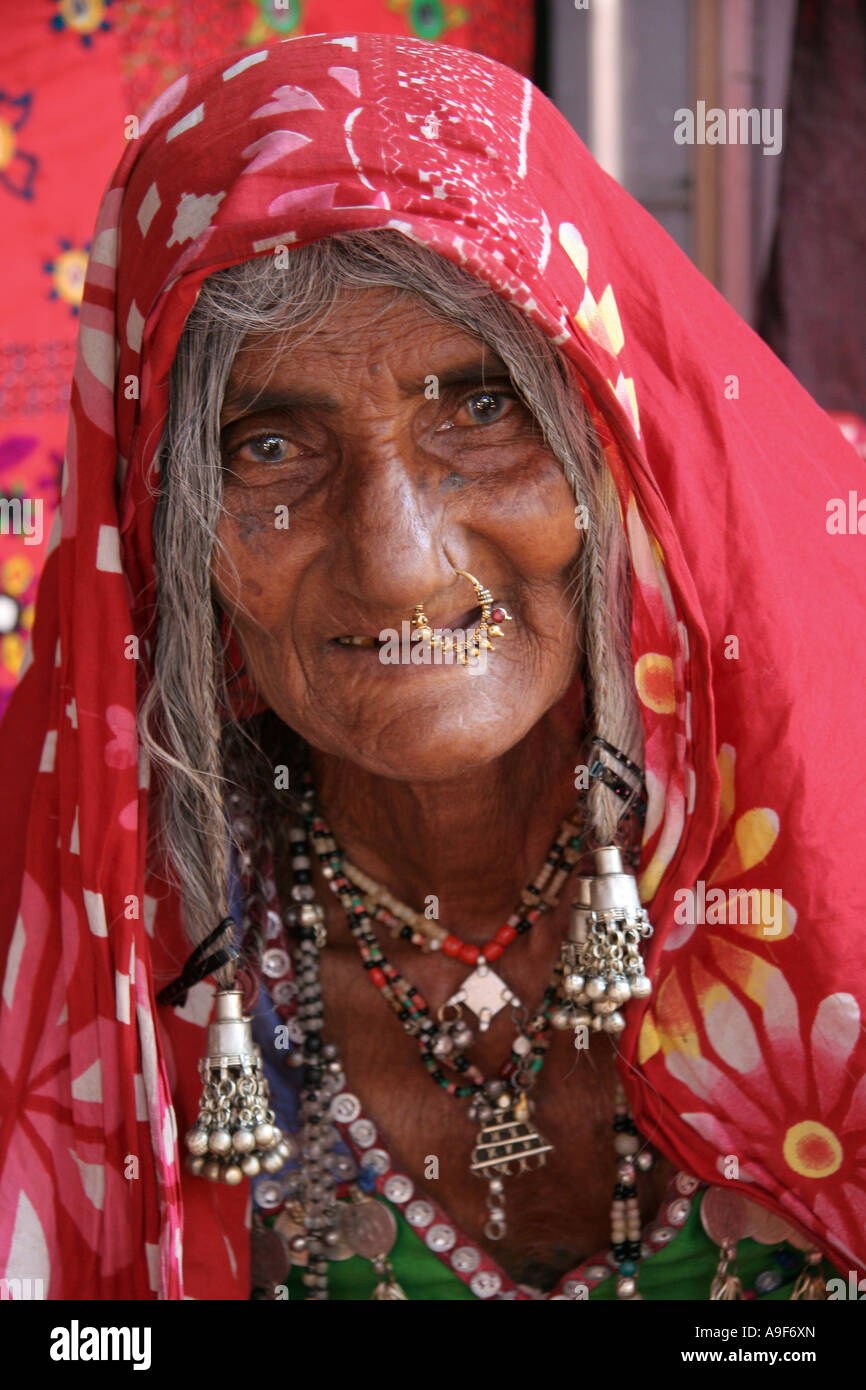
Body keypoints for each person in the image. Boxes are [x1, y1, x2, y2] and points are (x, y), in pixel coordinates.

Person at [0, 32, 863, 1303]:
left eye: (478, 406)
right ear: (164, 522)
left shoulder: (832, 761)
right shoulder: (83, 924)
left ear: (615, 445)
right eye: (267, 447)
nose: (399, 565)